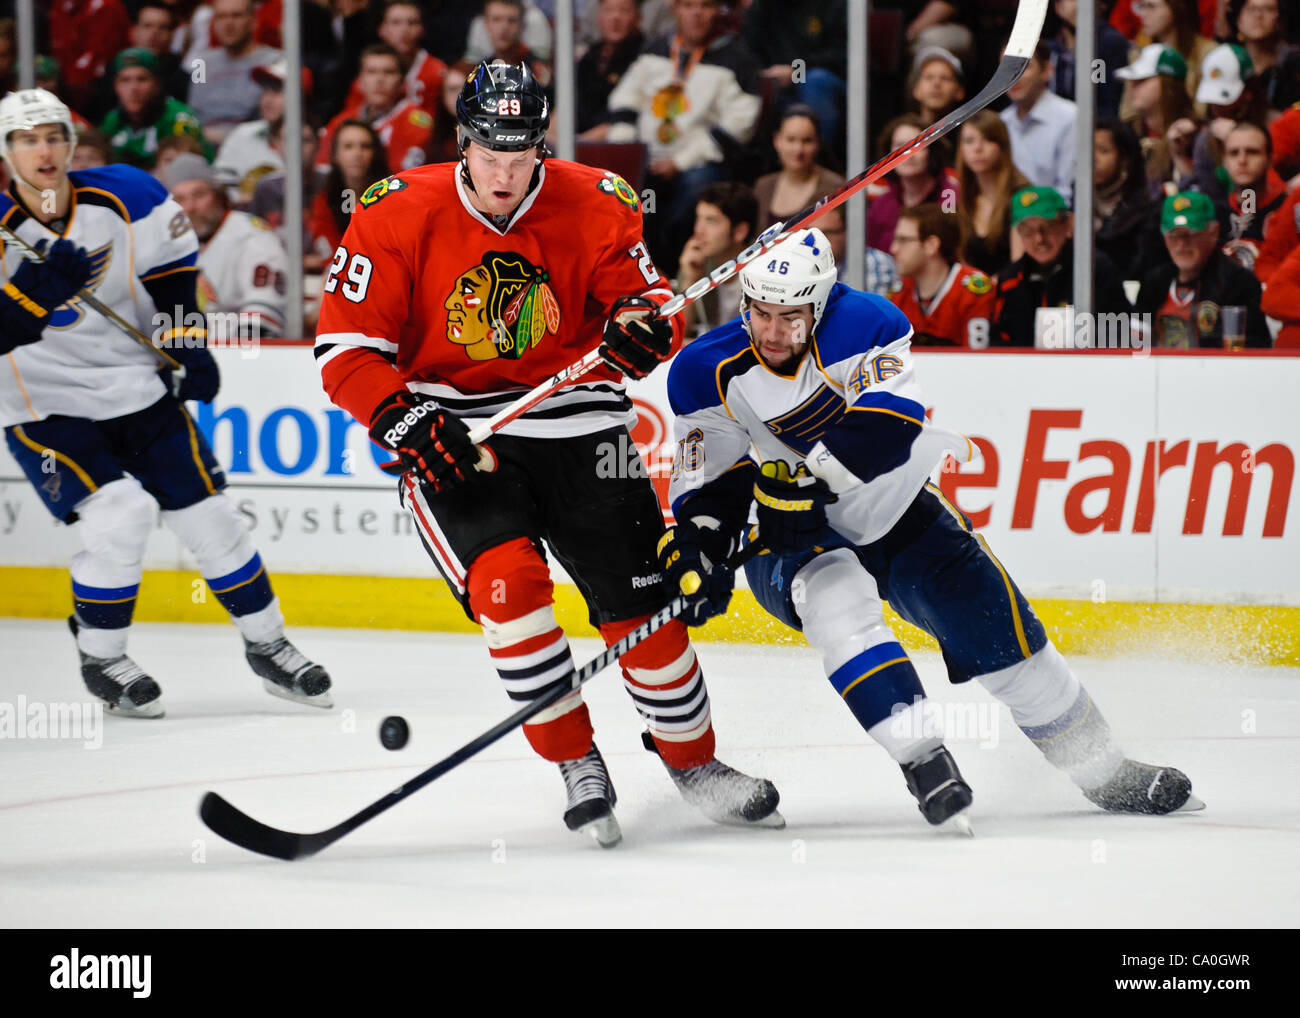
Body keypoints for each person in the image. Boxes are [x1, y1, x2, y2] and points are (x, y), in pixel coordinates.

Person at [313, 61, 781, 847]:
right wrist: (404, 419)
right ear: (462, 140)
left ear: (542, 143)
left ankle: (694, 763)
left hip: (579, 426)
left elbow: (642, 311)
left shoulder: (597, 200)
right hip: (461, 437)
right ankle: (575, 761)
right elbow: (345, 351)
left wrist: (639, 334)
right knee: (508, 586)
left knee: (647, 610)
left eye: (521, 154)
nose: (504, 173)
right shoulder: (395, 213)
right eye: (489, 154)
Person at [663, 225, 1201, 823]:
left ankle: (1103, 770)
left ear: (819, 305)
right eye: (760, 312)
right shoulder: (701, 370)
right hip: (789, 536)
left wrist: (811, 482)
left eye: (790, 317)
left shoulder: (866, 323)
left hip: (892, 506)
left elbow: (890, 420)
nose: (772, 331)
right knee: (839, 603)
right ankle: (926, 763)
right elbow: (709, 482)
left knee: (1001, 636)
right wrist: (701, 550)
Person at [0, 89, 330, 718]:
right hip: (40, 403)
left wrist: (185, 346)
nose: (41, 150)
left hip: (133, 386)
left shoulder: (130, 194)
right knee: (119, 513)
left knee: (212, 520)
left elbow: (172, 281)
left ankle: (269, 646)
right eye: (24, 139)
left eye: (51, 136)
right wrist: (33, 298)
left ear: (71, 144)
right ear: (7, 152)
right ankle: (102, 655)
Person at [606, 0, 762, 274]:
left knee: (695, 189)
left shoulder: (738, 58)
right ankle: (629, 274)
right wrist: (630, 152)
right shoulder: (654, 51)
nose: (697, 13)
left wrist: (680, 161)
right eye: (688, 5)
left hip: (699, 163)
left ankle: (673, 270)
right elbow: (624, 101)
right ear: (674, 8)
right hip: (647, 159)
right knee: (616, 189)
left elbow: (739, 126)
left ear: (718, 11)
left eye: (706, 5)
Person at [167, 153, 288, 339]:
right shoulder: (172, 242)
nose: (190, 207)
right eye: (180, 199)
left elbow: (261, 322)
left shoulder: (252, 237)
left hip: (237, 356)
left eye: (199, 195)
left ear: (219, 196)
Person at [995, 186, 1131, 347]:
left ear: (1068, 225)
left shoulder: (1095, 270)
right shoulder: (1009, 281)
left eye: (1048, 227)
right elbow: (998, 340)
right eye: (1027, 230)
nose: (1039, 238)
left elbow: (1122, 332)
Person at [1134, 191, 1272, 346]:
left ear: (1213, 232)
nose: (1181, 243)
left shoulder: (1238, 283)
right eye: (1173, 234)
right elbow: (1135, 344)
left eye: (1191, 233)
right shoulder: (1153, 283)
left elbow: (1253, 351)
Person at [741, 0, 849, 161]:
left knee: (815, 81)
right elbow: (746, 53)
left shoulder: (834, 5)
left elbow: (843, 55)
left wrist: (796, 71)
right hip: (777, 86)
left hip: (827, 82)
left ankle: (818, 163)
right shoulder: (762, 7)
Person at [315, 44, 435, 178]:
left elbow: (402, 178)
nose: (379, 80)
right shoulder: (343, 121)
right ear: (360, 80)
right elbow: (322, 167)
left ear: (402, 81)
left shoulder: (415, 122)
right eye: (371, 72)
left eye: (388, 72)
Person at [888, 203, 995, 348]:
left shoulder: (972, 290)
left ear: (931, 245)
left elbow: (978, 359)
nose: (893, 248)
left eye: (903, 240)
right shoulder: (900, 293)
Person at [753, 106, 845, 262]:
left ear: (818, 143)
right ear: (777, 140)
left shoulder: (835, 186)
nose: (798, 149)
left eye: (807, 141)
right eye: (791, 139)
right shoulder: (763, 187)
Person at [186, 0, 283, 146]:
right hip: (204, 149)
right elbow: (193, 114)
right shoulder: (201, 63)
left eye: (236, 16)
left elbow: (276, 121)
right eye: (221, 17)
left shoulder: (275, 60)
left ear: (253, 20)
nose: (228, 24)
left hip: (255, 146)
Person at [100, 48, 210, 169]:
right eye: (125, 80)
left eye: (142, 79)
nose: (133, 88)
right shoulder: (112, 120)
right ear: (116, 86)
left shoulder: (180, 119)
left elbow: (184, 172)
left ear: (157, 84)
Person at [866, 112, 958, 254]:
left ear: (931, 151)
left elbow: (952, 244)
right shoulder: (881, 204)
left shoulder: (949, 193)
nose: (908, 153)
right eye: (900, 145)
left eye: (917, 145)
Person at [1000, 41, 1078, 206]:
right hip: (1007, 220)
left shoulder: (1071, 117)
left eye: (1024, 66)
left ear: (1047, 71)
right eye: (1006, 68)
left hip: (1055, 220)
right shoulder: (1001, 121)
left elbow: (1068, 193)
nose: (1014, 76)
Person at [676, 182, 757, 338]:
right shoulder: (697, 260)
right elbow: (679, 334)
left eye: (711, 221)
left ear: (740, 231)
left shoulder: (763, 270)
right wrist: (690, 280)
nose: (698, 230)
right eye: (698, 219)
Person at [954, 110, 1030, 275]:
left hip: (1011, 290)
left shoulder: (1022, 195)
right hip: (972, 291)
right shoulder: (953, 195)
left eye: (987, 139)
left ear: (1003, 146)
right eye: (969, 141)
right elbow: (955, 254)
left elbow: (1019, 263)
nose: (977, 148)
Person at [344, 1, 448, 119]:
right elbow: (351, 117)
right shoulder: (368, 74)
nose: (404, 30)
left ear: (423, 29)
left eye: (412, 23)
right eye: (395, 22)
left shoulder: (438, 72)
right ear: (381, 29)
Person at [1116, 43, 1196, 197]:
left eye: (1142, 80)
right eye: (1133, 80)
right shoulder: (1127, 132)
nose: (1133, 86)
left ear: (1169, 83)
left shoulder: (1191, 135)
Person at [309, 120, 391, 263]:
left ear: (375, 153)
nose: (357, 153)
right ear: (335, 155)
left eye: (365, 146)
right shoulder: (324, 202)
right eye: (348, 146)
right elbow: (330, 253)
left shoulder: (392, 195)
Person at [1092, 118, 1163, 281]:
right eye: (1088, 150)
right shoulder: (1076, 201)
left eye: (1103, 151)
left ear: (1125, 159)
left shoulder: (1147, 211)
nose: (1092, 159)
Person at [1214, 120, 1288, 273]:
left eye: (1252, 152)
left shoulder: (1288, 209)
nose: (1242, 160)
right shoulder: (1214, 213)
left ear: (1270, 160)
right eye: (1234, 153)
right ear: (1225, 162)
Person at [574, 0, 644, 138]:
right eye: (608, 10)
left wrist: (576, 144)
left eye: (624, 10)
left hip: (621, 141)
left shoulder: (645, 57)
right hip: (577, 140)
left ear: (637, 17)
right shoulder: (589, 57)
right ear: (598, 18)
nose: (615, 17)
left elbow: (628, 118)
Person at [1047, 0, 1129, 119]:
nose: (1079, 4)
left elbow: (1107, 103)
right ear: (1058, 6)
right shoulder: (1051, 49)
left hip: (1093, 128)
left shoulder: (1110, 42)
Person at [907, 46, 965, 128]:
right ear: (916, 90)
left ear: (959, 92)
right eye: (929, 77)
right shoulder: (902, 134)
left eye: (945, 78)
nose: (936, 83)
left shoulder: (969, 136)